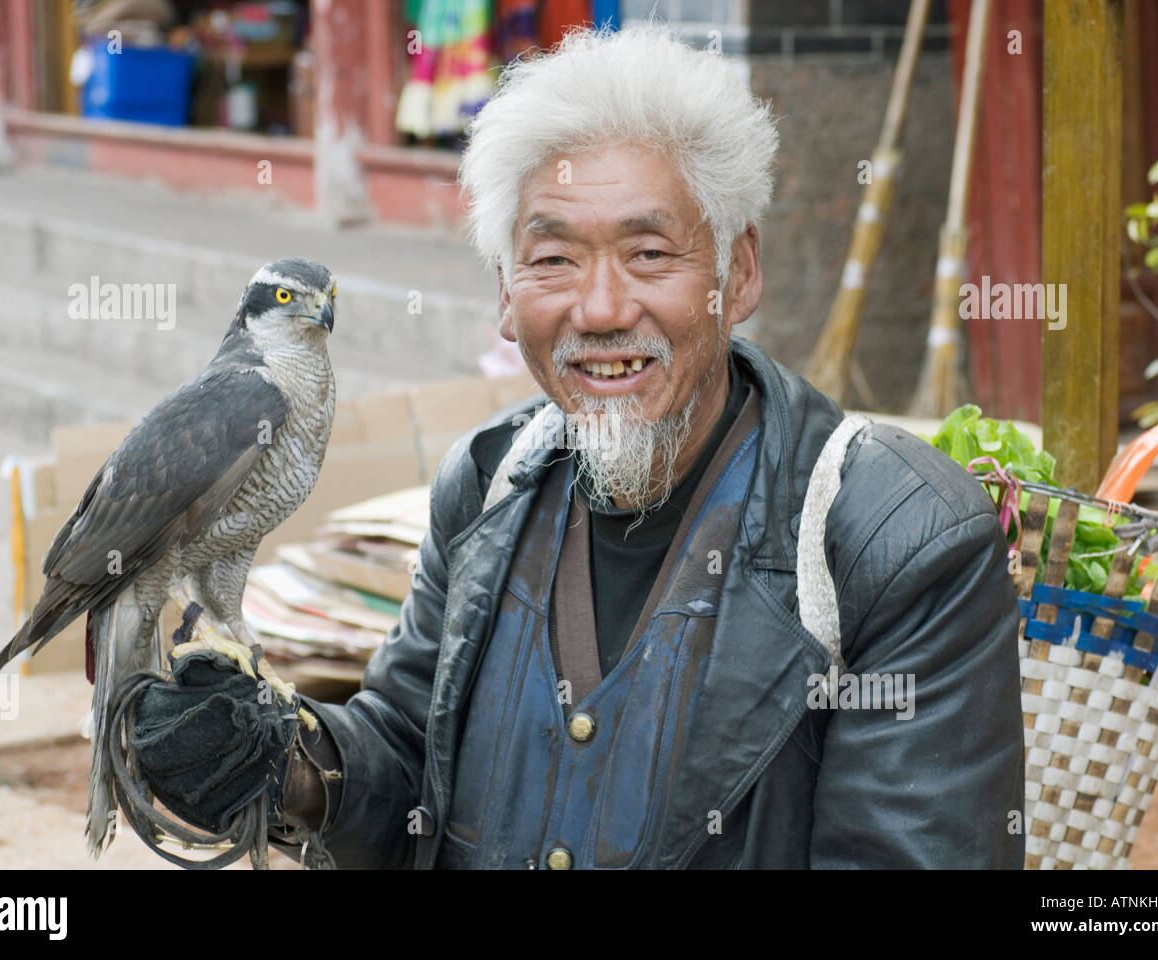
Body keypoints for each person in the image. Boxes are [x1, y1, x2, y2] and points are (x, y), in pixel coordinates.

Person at [135, 23, 1025, 869]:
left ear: (739, 271)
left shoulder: (893, 539)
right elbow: (412, 762)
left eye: (648, 254)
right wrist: (287, 764)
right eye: (552, 260)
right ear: (504, 293)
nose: (599, 311)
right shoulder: (485, 486)